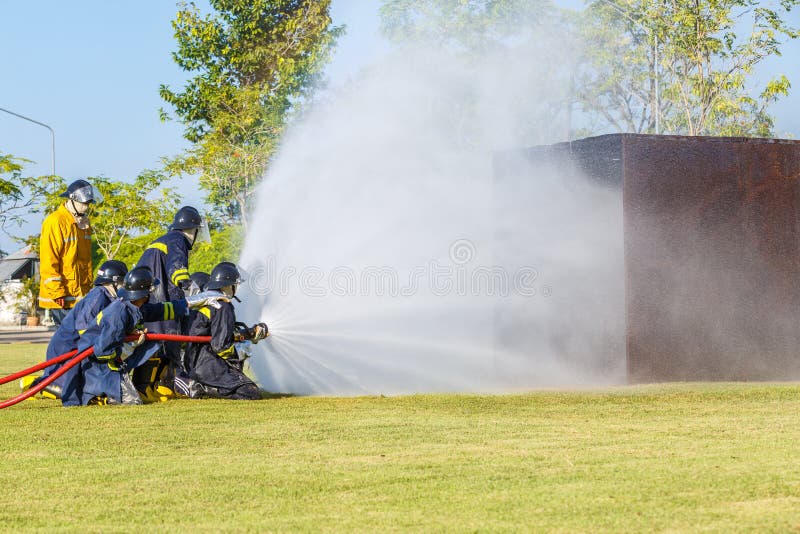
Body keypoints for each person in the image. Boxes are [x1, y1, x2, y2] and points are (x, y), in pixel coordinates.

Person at [60, 266, 229, 406]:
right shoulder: (118, 314)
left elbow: (167, 308)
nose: (152, 292)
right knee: (132, 402)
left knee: (155, 342)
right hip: (98, 366)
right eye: (150, 289)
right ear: (143, 292)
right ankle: (97, 396)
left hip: (109, 359)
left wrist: (203, 298)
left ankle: (144, 386)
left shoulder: (136, 307)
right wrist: (131, 346)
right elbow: (103, 352)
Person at [133, 206, 209, 400]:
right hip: (160, 298)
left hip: (147, 297)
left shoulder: (165, 239)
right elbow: (177, 267)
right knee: (160, 343)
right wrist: (186, 284)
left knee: (161, 344)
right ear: (193, 229)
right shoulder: (178, 240)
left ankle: (161, 386)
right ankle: (144, 388)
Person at [24, 260, 128, 399]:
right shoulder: (98, 297)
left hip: (78, 349)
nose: (124, 287)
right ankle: (37, 384)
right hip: (67, 350)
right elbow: (83, 329)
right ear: (113, 282)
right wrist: (101, 345)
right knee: (67, 392)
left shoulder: (109, 298)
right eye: (122, 283)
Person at [185, 262, 268, 400]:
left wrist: (250, 333)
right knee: (250, 392)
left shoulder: (208, 301)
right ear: (228, 285)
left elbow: (218, 334)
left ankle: (201, 383)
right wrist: (241, 353)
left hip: (196, 360)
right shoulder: (223, 305)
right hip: (207, 363)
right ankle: (204, 387)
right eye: (235, 285)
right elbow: (221, 346)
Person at [38, 179, 100, 325]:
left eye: (88, 204)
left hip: (80, 296)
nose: (86, 207)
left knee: (83, 341)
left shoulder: (83, 223)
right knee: (68, 342)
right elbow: (49, 260)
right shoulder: (55, 221)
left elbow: (85, 262)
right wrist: (57, 292)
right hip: (62, 297)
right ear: (72, 200)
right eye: (84, 204)